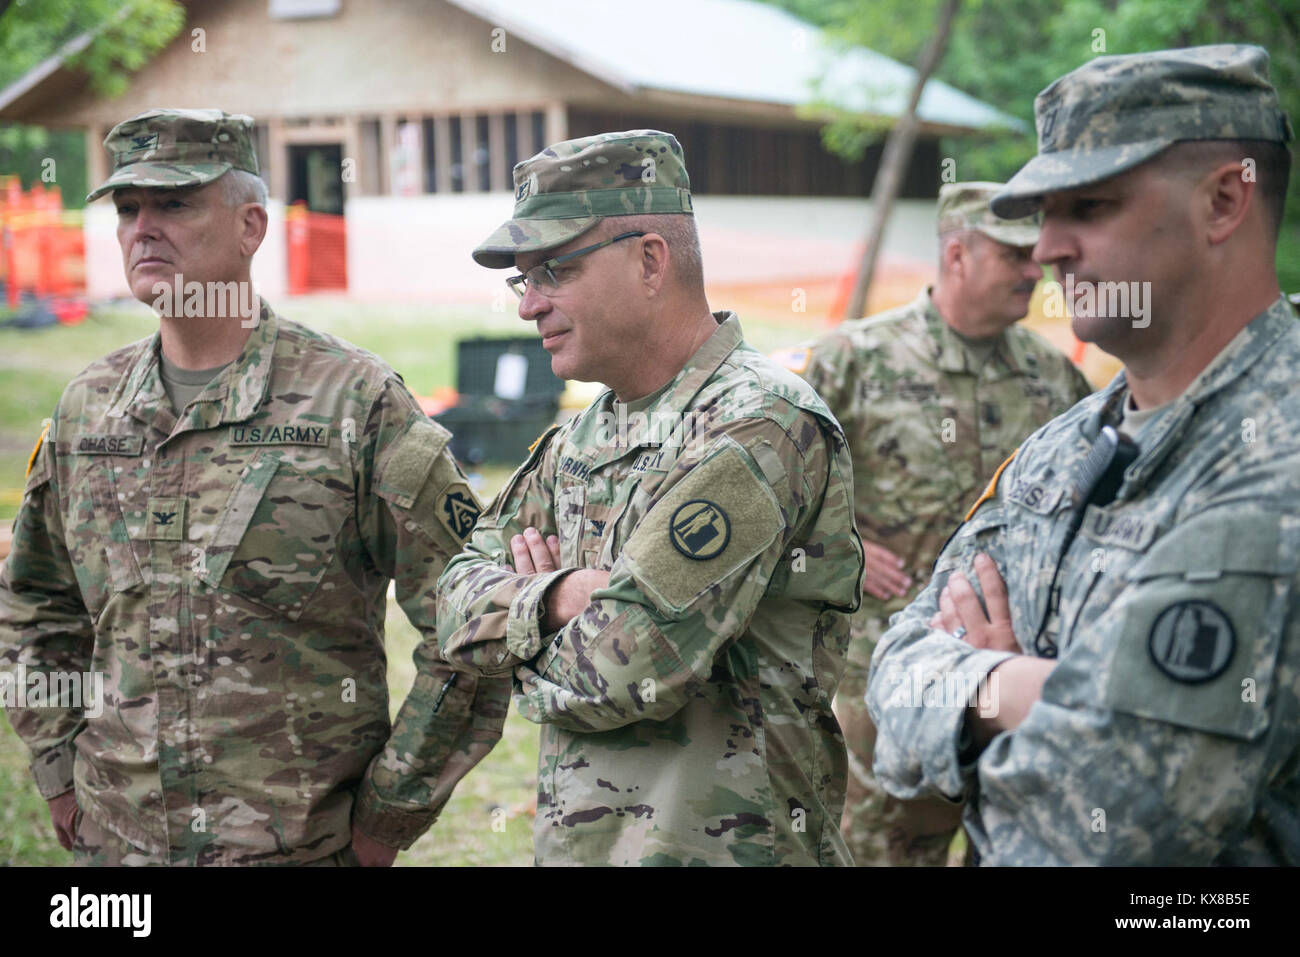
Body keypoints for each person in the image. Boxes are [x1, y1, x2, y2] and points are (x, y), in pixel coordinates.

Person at [0, 108, 508, 866]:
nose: (143, 228)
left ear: (251, 226)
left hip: (298, 847)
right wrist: (59, 769)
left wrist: (387, 815)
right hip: (119, 850)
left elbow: (471, 622)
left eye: (173, 203)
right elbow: (38, 603)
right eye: (128, 208)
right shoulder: (89, 405)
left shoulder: (355, 402)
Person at [865, 44, 1300, 864]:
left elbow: (1104, 822)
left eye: (1090, 207)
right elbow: (891, 676)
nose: (1047, 249)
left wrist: (978, 708)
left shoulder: (1276, 454)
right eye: (1043, 214)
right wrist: (1016, 689)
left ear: (1225, 200)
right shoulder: (1064, 444)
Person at [435, 129, 865, 866]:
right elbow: (449, 600)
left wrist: (515, 628)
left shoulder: (758, 424)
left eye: (555, 270)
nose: (527, 305)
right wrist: (561, 595)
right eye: (523, 279)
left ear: (650, 260)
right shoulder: (584, 434)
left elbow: (625, 670)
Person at [779, 182, 1092, 865]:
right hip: (885, 669)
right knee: (885, 847)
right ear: (957, 255)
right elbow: (773, 486)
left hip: (1018, 666)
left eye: (1034, 255)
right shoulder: (854, 359)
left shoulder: (1054, 377)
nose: (1035, 270)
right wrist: (842, 543)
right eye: (1014, 256)